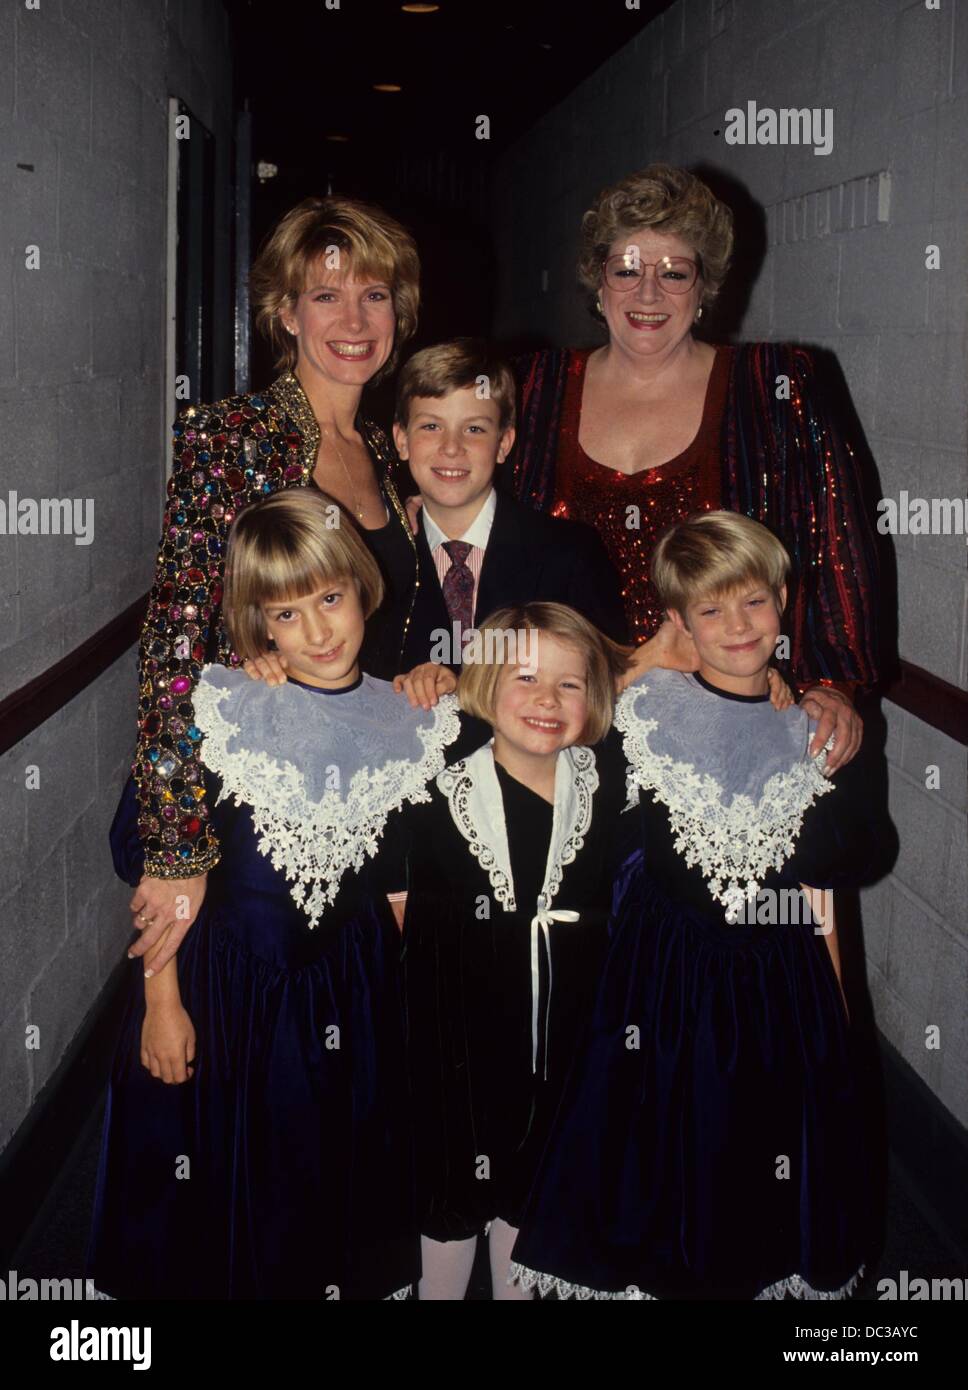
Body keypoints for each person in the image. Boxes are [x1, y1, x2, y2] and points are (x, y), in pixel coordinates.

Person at [88, 490, 459, 1300]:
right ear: (257, 622)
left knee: (318, 1190)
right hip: (222, 986)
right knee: (209, 1195)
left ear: (364, 586)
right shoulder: (220, 708)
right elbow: (155, 868)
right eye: (287, 615)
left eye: (330, 598)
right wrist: (161, 1002)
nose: (319, 631)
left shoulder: (413, 719)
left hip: (346, 991)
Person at [509, 512, 881, 1301]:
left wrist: (810, 752)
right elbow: (548, 737)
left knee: (760, 1161)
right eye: (709, 611)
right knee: (657, 1159)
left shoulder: (820, 730)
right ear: (679, 621)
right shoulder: (646, 713)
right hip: (661, 980)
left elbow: (846, 872)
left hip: (778, 986)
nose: (736, 626)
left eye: (752, 602)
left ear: (783, 599)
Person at [128, 194, 422, 978]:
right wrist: (181, 848)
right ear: (286, 314)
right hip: (252, 819)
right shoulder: (229, 437)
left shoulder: (390, 458)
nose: (354, 320)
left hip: (356, 806)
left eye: (374, 295)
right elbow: (174, 651)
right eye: (326, 295)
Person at [510, 163, 878, 771]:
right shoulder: (533, 389)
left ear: (704, 289)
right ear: (598, 283)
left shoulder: (775, 387)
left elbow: (839, 548)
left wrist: (834, 684)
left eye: (674, 273)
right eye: (626, 270)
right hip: (565, 726)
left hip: (728, 732)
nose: (648, 295)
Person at [392, 603, 630, 1299]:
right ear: (486, 685)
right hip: (458, 1052)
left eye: (570, 684)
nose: (547, 701)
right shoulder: (438, 793)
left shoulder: (610, 790)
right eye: (525, 677)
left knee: (533, 1198)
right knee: (452, 1200)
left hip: (563, 1047)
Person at [391, 339, 627, 677]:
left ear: (503, 444)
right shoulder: (381, 561)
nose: (452, 448)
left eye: (474, 429)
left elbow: (606, 681)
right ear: (402, 440)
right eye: (431, 426)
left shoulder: (570, 555)